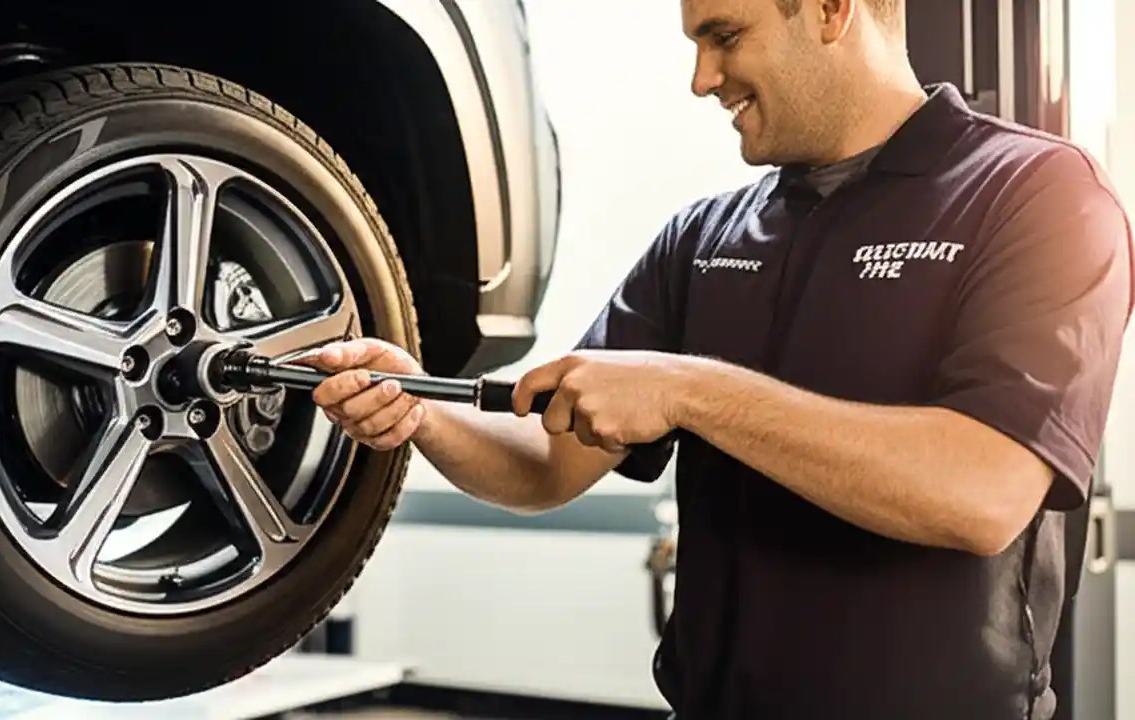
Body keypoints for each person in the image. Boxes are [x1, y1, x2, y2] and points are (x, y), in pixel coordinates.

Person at [296, 0, 1134, 718]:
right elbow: (548, 464)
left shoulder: (1038, 196)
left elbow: (983, 493)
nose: (702, 79)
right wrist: (416, 409)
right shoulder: (704, 239)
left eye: (725, 36)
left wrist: (689, 391)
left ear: (833, 9)